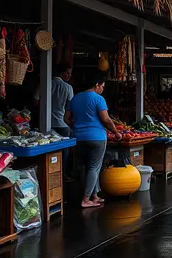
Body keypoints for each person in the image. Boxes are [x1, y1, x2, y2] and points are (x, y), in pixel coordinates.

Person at [65, 77, 122, 208]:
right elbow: (106, 119)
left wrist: (77, 128)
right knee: (94, 167)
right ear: (97, 85)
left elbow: (66, 118)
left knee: (87, 167)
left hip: (79, 138)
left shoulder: (75, 98)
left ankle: (95, 196)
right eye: (102, 87)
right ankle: (85, 199)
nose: (103, 89)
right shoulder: (98, 99)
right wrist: (116, 133)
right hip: (97, 137)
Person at [34, 62, 75, 169]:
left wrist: (44, 110)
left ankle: (47, 175)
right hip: (62, 125)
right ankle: (61, 176)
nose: (69, 75)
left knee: (47, 154)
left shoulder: (43, 84)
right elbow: (69, 107)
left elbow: (35, 101)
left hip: (45, 125)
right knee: (63, 155)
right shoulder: (68, 88)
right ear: (61, 73)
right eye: (68, 73)